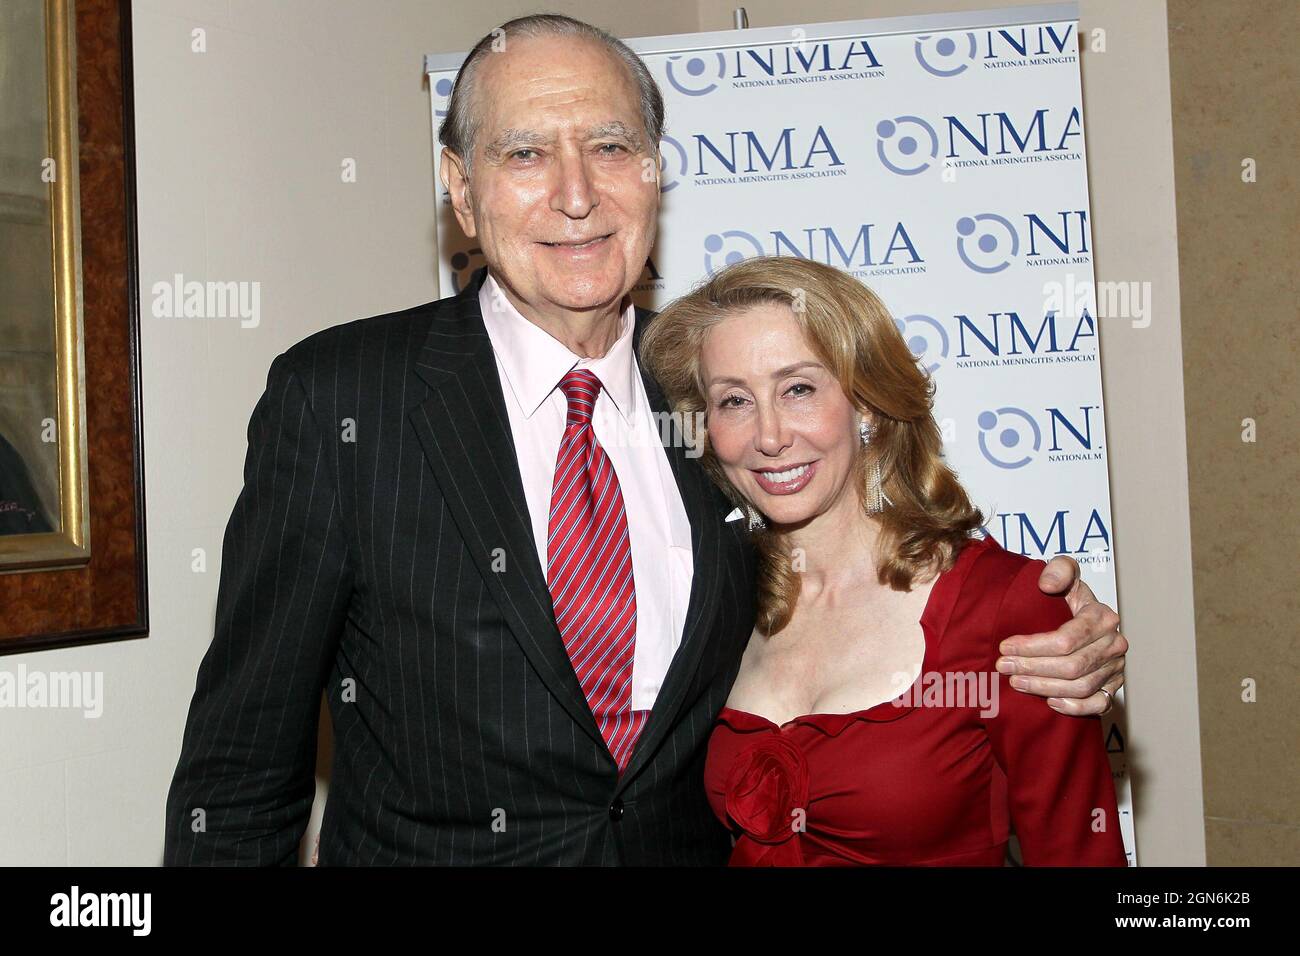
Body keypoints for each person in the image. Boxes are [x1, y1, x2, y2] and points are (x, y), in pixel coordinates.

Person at [164, 14, 1126, 866]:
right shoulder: (344, 399)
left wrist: (1056, 627)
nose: (578, 195)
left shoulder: (714, 408)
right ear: (461, 188)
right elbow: (243, 762)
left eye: (612, 148)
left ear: (656, 172)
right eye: (526, 154)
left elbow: (863, 590)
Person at [640, 255, 1127, 865]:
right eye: (734, 401)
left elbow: (1079, 852)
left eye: (798, 389)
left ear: (865, 403)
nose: (768, 436)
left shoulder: (1004, 606)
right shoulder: (712, 595)